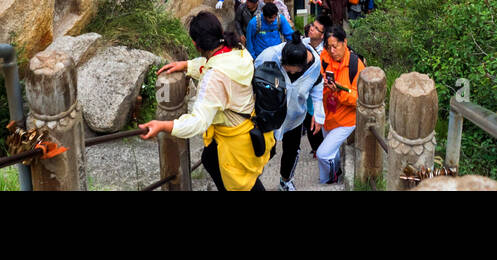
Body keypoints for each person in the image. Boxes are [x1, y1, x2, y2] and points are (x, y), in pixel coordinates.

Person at [139, 12, 272, 191]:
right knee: (209, 158)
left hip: (235, 143)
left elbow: (198, 122)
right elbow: (212, 62)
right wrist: (186, 65)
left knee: (242, 185)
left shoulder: (215, 78)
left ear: (195, 43)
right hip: (250, 128)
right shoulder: (236, 50)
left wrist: (163, 125)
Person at [255, 38, 325, 191]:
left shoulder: (314, 63)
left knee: (292, 150)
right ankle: (252, 178)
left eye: (295, 69)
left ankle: (286, 180)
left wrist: (318, 112)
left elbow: (317, 83)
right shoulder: (270, 56)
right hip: (270, 113)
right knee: (265, 149)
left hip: (295, 116)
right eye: (287, 68)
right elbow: (252, 77)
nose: (291, 72)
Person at [317, 25, 361, 184]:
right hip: (328, 115)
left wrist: (339, 92)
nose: (332, 50)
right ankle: (332, 176)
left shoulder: (356, 65)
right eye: (329, 47)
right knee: (332, 153)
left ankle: (329, 181)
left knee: (323, 154)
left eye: (335, 46)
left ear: (345, 43)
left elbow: (358, 99)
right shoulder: (324, 58)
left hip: (346, 120)